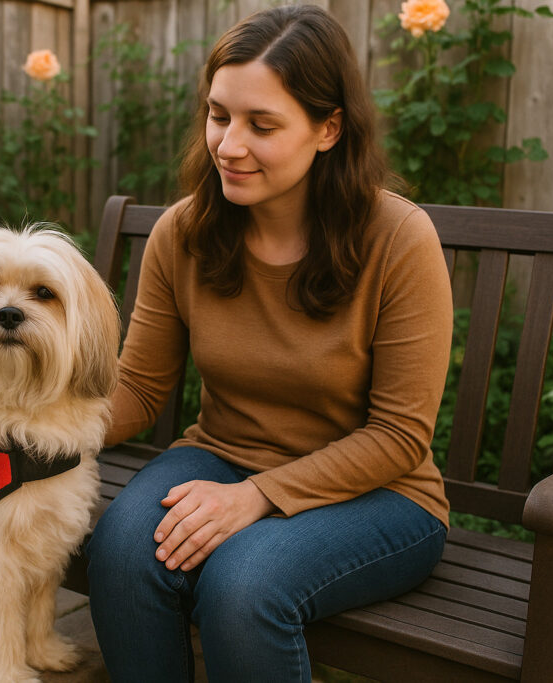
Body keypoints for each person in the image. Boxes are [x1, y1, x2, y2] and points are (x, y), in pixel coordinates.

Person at [85, 5, 453, 682]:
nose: (228, 144)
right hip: (221, 455)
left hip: (382, 495)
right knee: (121, 548)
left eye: (262, 124)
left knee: (242, 585)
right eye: (219, 114)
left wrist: (258, 495)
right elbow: (136, 388)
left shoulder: (398, 239)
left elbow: (401, 435)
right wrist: (29, 431)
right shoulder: (184, 232)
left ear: (328, 128)